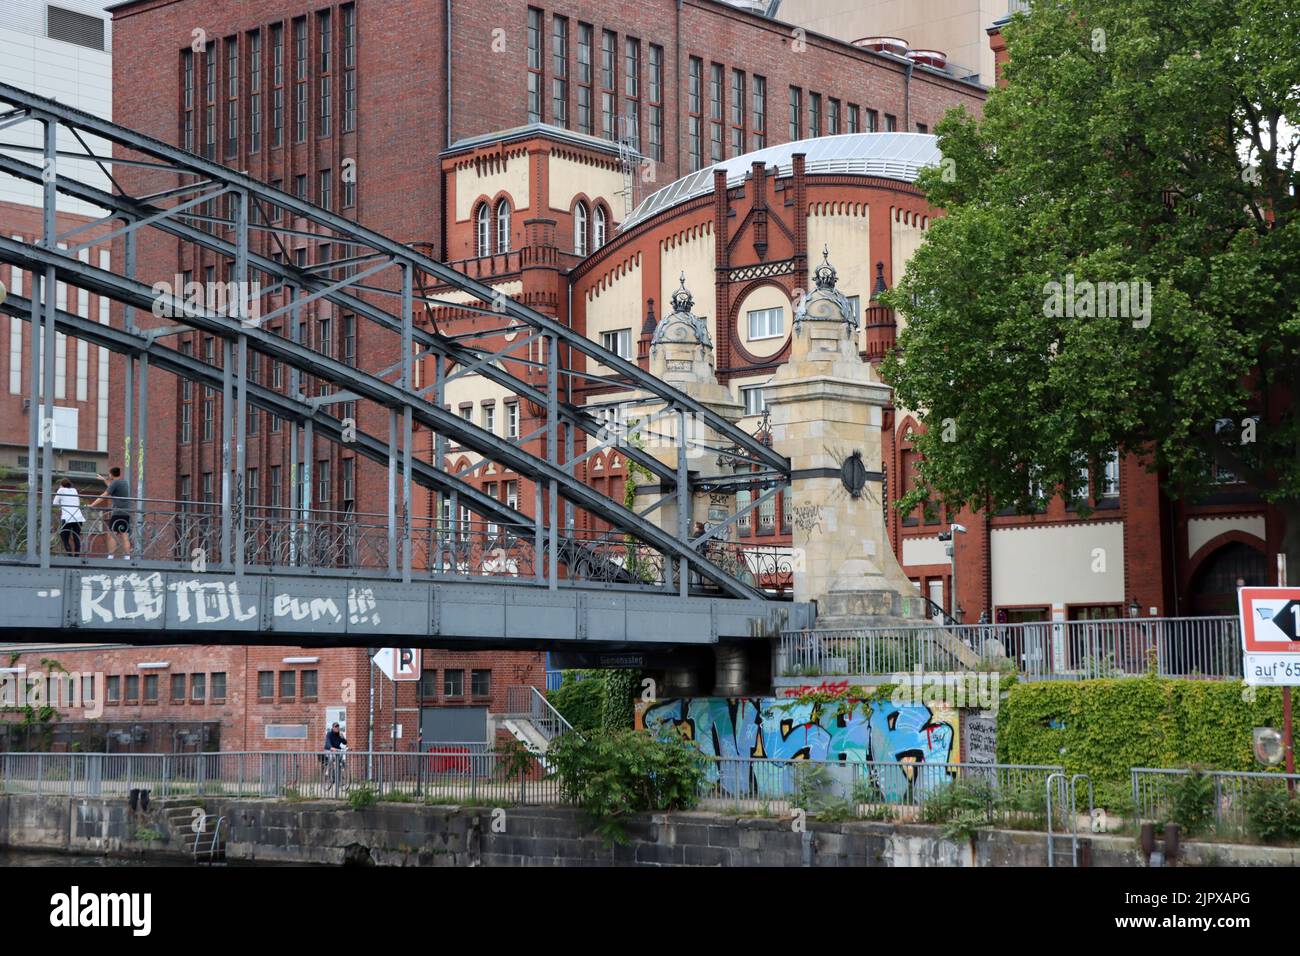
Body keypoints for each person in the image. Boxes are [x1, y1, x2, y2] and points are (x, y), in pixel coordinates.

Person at [89, 467, 132, 560]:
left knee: (111, 534)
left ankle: (111, 555)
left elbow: (104, 495)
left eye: (109, 474)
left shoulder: (115, 483)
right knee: (125, 535)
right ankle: (127, 557)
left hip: (118, 513)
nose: (109, 476)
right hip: (126, 512)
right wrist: (104, 480)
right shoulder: (123, 482)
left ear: (111, 474)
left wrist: (92, 504)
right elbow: (111, 487)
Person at [53, 478, 84, 558]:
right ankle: (77, 556)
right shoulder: (74, 490)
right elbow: (77, 502)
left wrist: (61, 506)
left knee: (64, 536)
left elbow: (55, 503)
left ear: (62, 485)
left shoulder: (61, 490)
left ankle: (70, 555)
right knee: (76, 536)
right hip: (78, 517)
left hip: (67, 517)